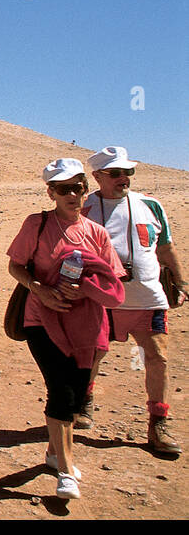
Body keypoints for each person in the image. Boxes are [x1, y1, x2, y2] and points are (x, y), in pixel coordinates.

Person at [8, 158, 126, 499]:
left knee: (74, 396)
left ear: (85, 191)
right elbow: (16, 266)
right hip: (41, 319)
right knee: (60, 390)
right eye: (64, 189)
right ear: (51, 193)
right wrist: (40, 288)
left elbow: (111, 279)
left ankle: (53, 452)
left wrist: (88, 286)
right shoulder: (37, 225)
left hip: (85, 324)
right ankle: (66, 471)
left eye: (78, 187)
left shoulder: (97, 233)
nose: (72, 194)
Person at [79, 146, 188, 454]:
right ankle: (85, 402)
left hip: (147, 298)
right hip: (103, 300)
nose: (123, 178)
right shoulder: (83, 208)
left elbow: (165, 248)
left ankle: (158, 423)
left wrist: (180, 281)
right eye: (115, 173)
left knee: (157, 359)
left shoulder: (151, 206)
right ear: (97, 176)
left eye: (128, 172)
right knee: (92, 356)